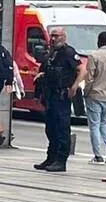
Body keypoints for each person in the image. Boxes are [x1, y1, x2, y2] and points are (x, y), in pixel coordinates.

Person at [33, 27, 82, 171]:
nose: (53, 39)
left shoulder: (69, 52)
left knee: (62, 128)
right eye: (52, 36)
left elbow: (82, 70)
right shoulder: (52, 53)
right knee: (51, 128)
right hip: (50, 95)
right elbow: (47, 70)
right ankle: (51, 158)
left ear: (63, 37)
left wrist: (74, 86)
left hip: (62, 96)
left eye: (56, 36)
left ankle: (61, 160)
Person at [83, 31, 106, 164]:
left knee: (94, 125)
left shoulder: (94, 55)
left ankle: (98, 155)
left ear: (99, 40)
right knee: (103, 122)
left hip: (95, 93)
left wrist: (86, 91)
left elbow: (90, 77)